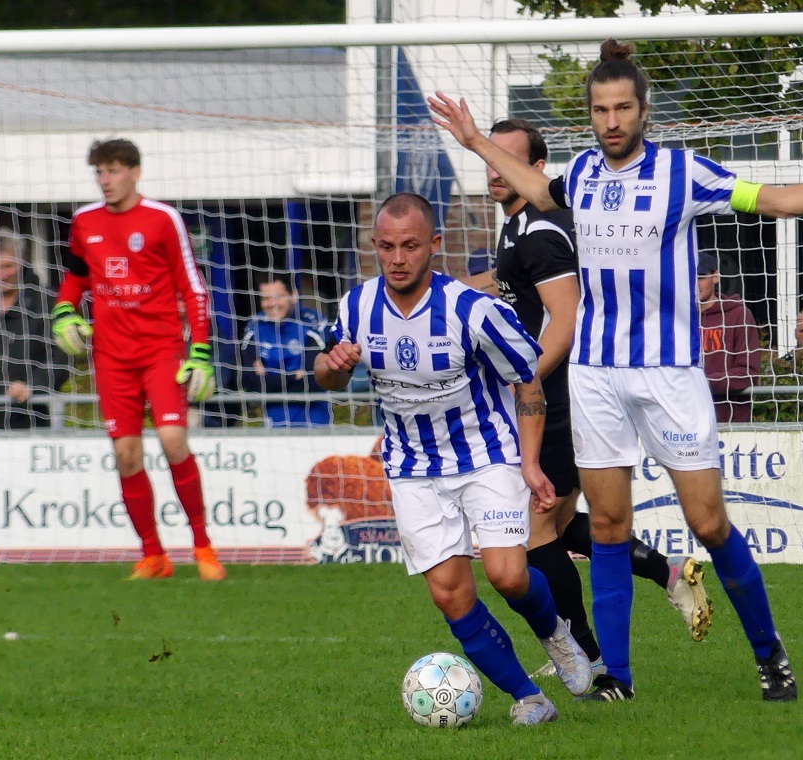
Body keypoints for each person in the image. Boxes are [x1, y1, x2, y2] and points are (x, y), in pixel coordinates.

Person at [429, 38, 803, 702]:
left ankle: (768, 651)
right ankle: (618, 675)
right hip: (593, 372)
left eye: (621, 108)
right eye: (599, 110)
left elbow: (779, 201)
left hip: (669, 374)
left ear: (643, 111)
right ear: (589, 116)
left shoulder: (682, 173)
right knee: (608, 526)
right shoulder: (581, 175)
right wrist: (472, 139)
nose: (610, 121)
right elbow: (534, 185)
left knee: (707, 523)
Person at [315, 192, 592, 726]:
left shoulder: (473, 309)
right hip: (413, 468)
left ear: (434, 246)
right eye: (388, 247)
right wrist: (333, 363)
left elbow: (527, 378)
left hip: (487, 456)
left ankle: (554, 632)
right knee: (450, 595)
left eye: (411, 246)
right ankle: (530, 698)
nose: (398, 258)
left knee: (509, 576)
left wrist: (531, 464)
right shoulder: (355, 308)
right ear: (376, 246)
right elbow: (327, 374)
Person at [468, 119, 712, 681]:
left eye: (509, 159)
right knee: (569, 520)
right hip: (550, 394)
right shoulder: (518, 227)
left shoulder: (542, 229)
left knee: (536, 533)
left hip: (556, 397)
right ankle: (670, 576)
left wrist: (528, 375)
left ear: (537, 170)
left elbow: (568, 313)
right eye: (490, 158)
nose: (495, 169)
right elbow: (520, 286)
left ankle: (588, 655)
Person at [50, 138, 226, 582]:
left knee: (171, 440)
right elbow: (75, 280)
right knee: (126, 455)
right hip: (110, 357)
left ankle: (203, 547)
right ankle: (153, 556)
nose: (104, 180)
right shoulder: (83, 221)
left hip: (161, 351)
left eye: (112, 170)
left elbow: (194, 288)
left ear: (135, 172)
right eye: (99, 172)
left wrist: (200, 353)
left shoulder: (163, 219)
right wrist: (64, 310)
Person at [0, 228, 71, 430]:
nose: (2, 274)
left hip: (31, 421)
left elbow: (61, 358)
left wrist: (33, 386)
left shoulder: (45, 304)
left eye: (7, 266)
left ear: (21, 261)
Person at [240, 272, 330, 427]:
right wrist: (294, 377)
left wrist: (269, 376)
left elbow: (316, 380)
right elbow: (249, 381)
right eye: (266, 298)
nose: (272, 303)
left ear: (293, 296)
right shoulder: (254, 327)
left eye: (278, 297)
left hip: (315, 421)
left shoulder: (314, 323)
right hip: (273, 424)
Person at [697, 251, 761, 423]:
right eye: (688, 277)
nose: (694, 284)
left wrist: (700, 383)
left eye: (700, 277)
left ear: (715, 276)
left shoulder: (738, 315)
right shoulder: (677, 319)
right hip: (686, 423)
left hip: (730, 423)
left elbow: (748, 373)